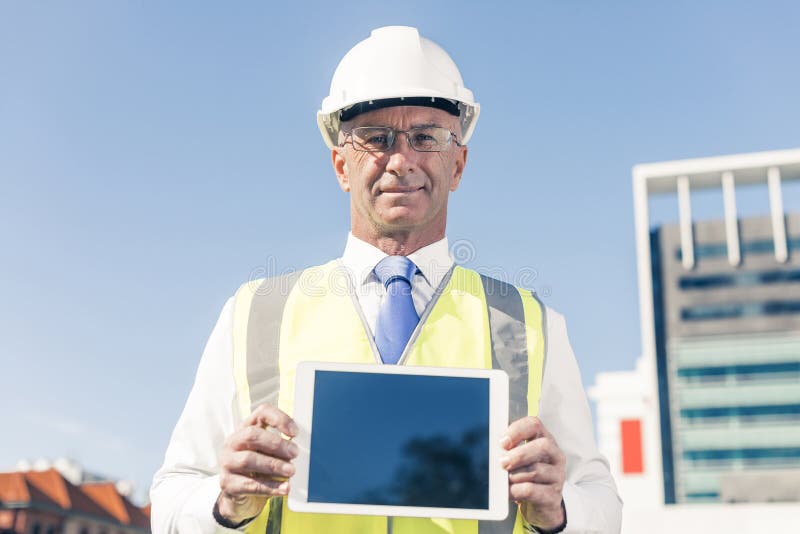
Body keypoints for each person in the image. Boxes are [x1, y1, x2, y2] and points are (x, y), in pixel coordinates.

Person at [150, 26, 622, 534]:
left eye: (427, 137)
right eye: (376, 139)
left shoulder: (528, 324)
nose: (401, 160)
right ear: (341, 165)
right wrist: (226, 505)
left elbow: (602, 504)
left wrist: (560, 511)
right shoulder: (257, 313)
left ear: (458, 164)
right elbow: (173, 496)